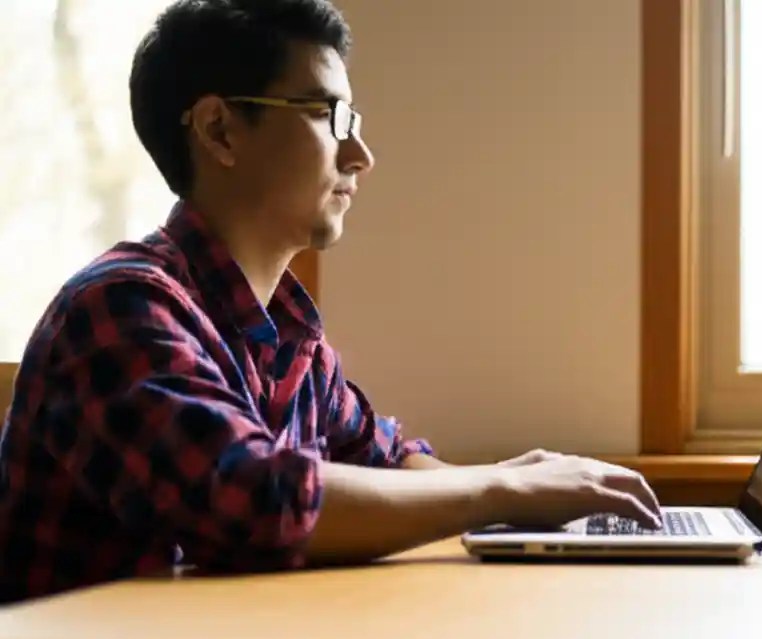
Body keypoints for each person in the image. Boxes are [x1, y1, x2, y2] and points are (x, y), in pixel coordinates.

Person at [0, 0, 660, 604]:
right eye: (328, 116)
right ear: (220, 130)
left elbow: (389, 461)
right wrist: (498, 490)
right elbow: (254, 501)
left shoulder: (288, 337)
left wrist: (527, 496)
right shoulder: (118, 310)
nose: (361, 155)